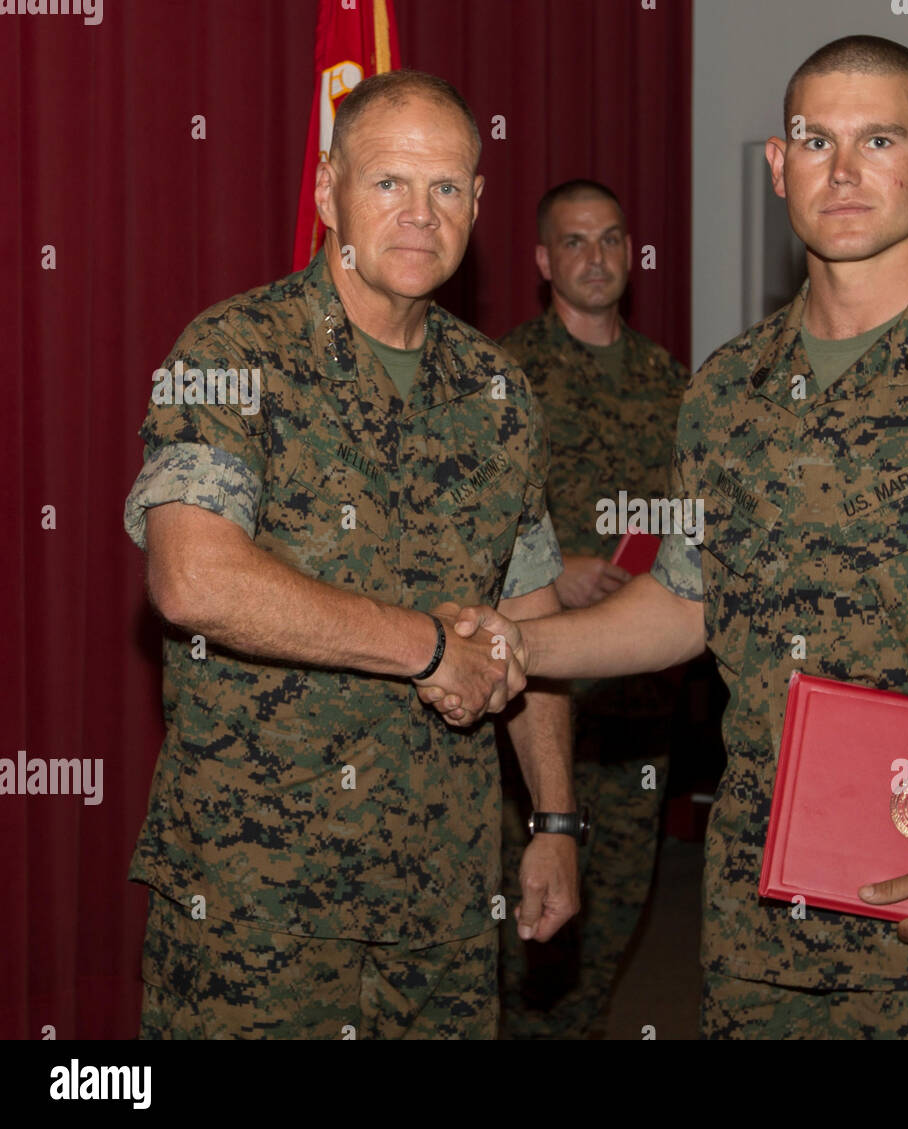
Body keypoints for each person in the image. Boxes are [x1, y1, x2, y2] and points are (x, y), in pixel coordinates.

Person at [439, 36, 908, 1039]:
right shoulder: (727, 389)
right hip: (764, 930)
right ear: (778, 167)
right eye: (813, 141)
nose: (843, 169)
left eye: (879, 138)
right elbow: (686, 602)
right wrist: (517, 645)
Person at [122, 70, 579, 1039]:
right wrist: (422, 645)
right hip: (259, 902)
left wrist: (555, 819)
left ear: (478, 203)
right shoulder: (232, 353)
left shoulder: (500, 392)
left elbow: (531, 616)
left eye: (446, 188)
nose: (420, 215)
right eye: (388, 184)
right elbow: (191, 576)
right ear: (329, 191)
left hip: (441, 901)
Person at [495, 180, 688, 1038]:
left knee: (611, 910)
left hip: (639, 696)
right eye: (574, 242)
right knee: (524, 926)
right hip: (535, 701)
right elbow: (462, 535)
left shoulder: (674, 381)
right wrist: (555, 571)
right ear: (543, 262)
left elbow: (694, 514)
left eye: (611, 239)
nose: (597, 257)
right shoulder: (500, 376)